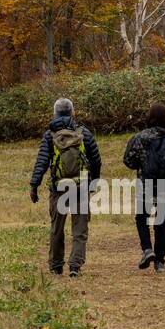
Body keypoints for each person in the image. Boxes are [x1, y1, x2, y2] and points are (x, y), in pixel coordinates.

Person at [29, 98, 101, 277]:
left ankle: (56, 265)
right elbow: (96, 160)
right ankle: (75, 266)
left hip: (58, 188)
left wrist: (34, 185)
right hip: (81, 187)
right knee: (80, 228)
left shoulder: (49, 135)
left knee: (57, 227)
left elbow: (42, 161)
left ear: (55, 113)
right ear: (72, 112)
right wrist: (94, 181)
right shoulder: (83, 132)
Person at [123, 102, 165, 273]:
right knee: (161, 223)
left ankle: (147, 249)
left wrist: (142, 166)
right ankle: (160, 262)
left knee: (142, 218)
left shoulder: (140, 138)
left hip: (146, 185)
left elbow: (128, 160)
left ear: (149, 117)